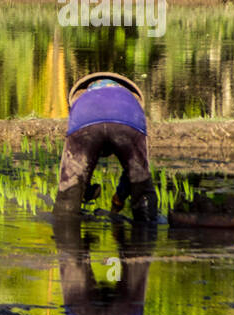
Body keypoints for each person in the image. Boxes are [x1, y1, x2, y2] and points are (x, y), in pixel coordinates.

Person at [53, 72, 157, 222]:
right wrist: (119, 197)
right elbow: (133, 171)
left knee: (68, 192)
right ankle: (147, 231)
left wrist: (84, 190)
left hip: (86, 120)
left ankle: (65, 229)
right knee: (142, 185)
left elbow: (79, 169)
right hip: (128, 121)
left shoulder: (83, 100)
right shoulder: (129, 101)